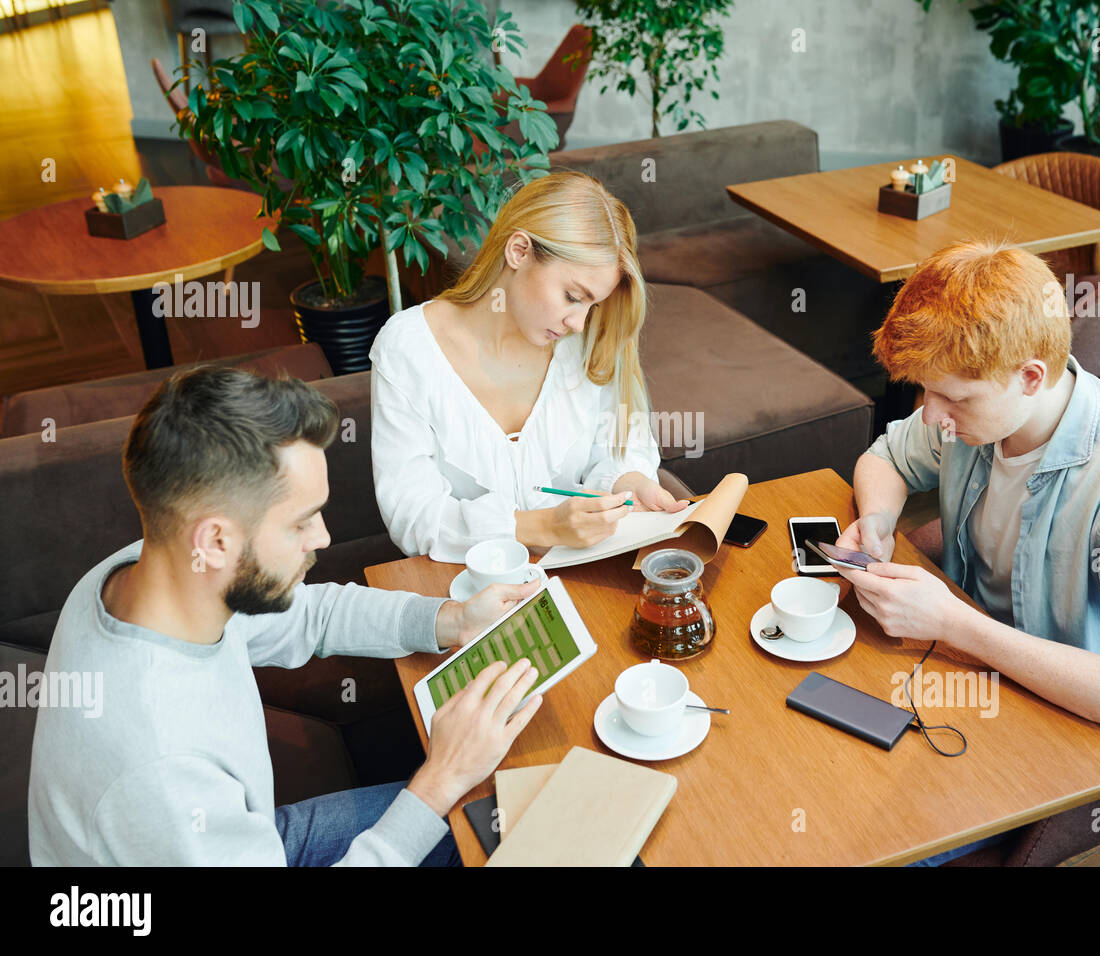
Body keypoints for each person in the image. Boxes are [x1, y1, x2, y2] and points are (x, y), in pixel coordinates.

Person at [28, 366, 545, 866]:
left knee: (511, 807)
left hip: (237, 843)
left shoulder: (151, 570)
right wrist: (440, 780)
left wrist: (453, 619)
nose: (321, 538)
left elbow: (311, 616)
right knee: (497, 812)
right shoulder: (161, 774)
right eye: (301, 523)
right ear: (215, 540)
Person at [840, 239, 1100, 866]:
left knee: (857, 842)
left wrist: (958, 625)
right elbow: (886, 457)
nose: (932, 417)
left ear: (1030, 375)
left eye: (953, 398)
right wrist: (877, 520)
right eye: (924, 393)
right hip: (962, 667)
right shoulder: (977, 411)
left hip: (1061, 712)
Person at [369, 170, 688, 563]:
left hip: (587, 576)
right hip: (470, 591)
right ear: (519, 251)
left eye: (594, 304)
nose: (579, 323)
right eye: (573, 296)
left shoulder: (590, 338)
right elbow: (413, 517)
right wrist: (539, 526)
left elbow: (626, 444)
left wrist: (629, 481)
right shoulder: (409, 349)